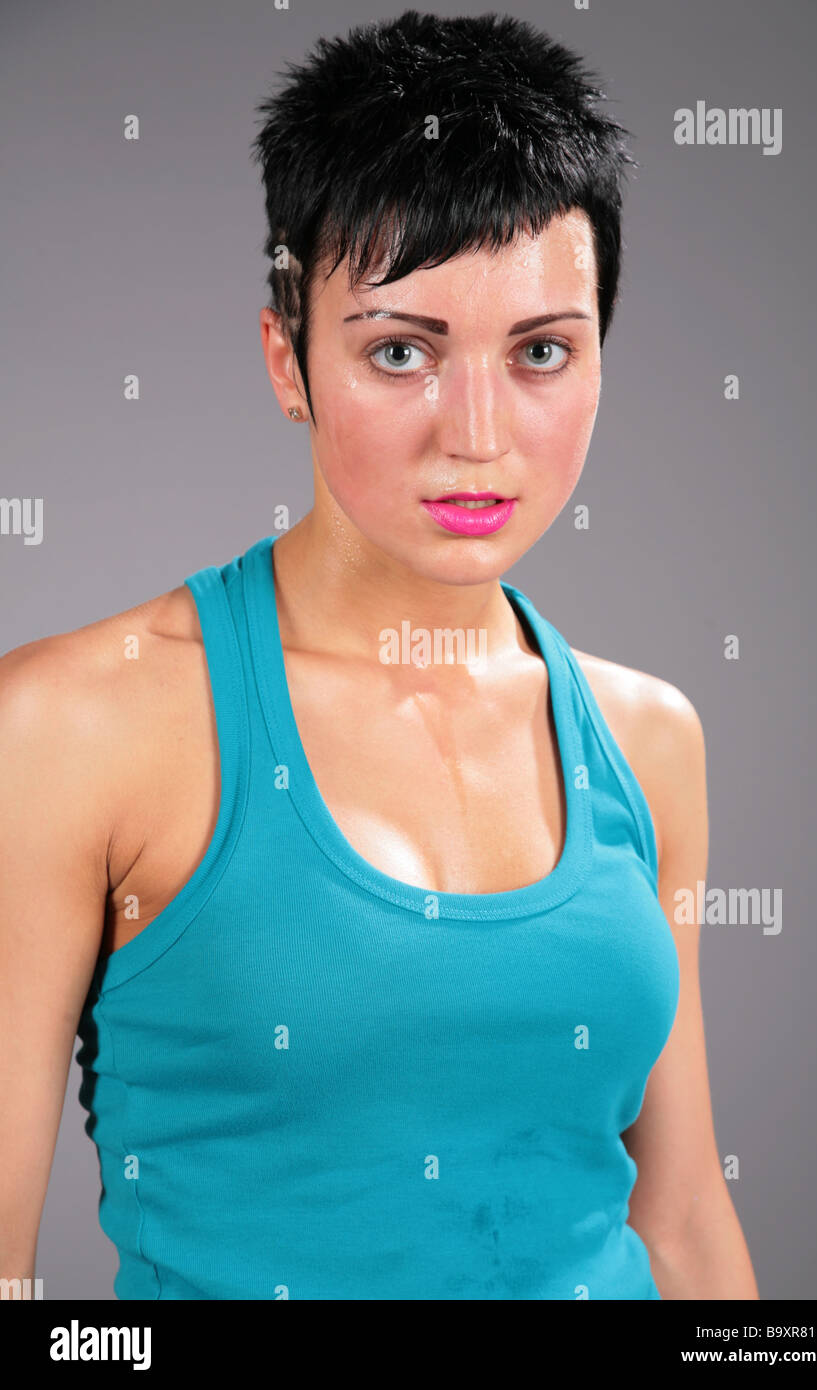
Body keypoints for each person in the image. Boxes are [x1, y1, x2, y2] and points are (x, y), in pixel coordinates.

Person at [0, 10, 758, 1300]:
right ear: (288, 359)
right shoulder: (76, 726)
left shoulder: (648, 737)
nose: (476, 434)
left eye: (541, 353)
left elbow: (683, 1226)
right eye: (401, 351)